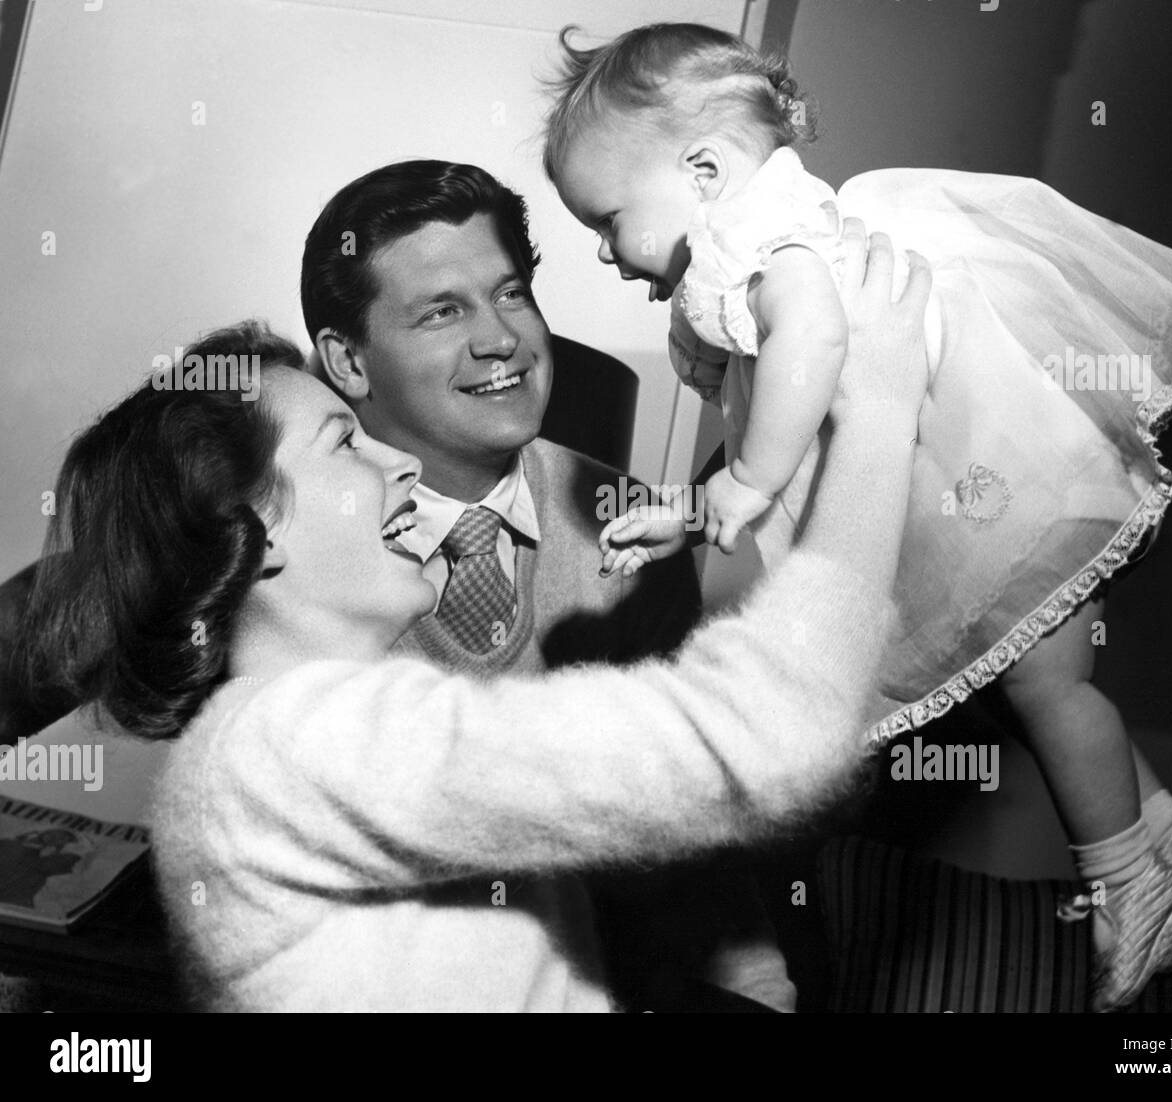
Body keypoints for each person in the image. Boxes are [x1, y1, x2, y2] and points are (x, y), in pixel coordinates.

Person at [541, 22, 1172, 1011]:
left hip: (963, 486)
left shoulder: (761, 245)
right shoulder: (763, 229)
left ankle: (1132, 871)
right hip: (969, 480)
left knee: (1045, 690)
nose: (602, 249)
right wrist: (702, 503)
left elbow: (812, 338)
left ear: (704, 169)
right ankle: (1156, 839)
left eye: (608, 217)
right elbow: (781, 417)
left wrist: (743, 486)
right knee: (1052, 686)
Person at [21, 225, 932, 1012]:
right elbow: (769, 738)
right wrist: (881, 418)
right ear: (255, 534)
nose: (404, 469)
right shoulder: (290, 749)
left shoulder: (311, 732)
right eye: (344, 443)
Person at [297, 158, 786, 1009]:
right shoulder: (290, 541)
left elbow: (691, 826)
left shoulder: (633, 529)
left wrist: (754, 979)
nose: (503, 340)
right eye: (443, 311)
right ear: (347, 361)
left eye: (512, 294)